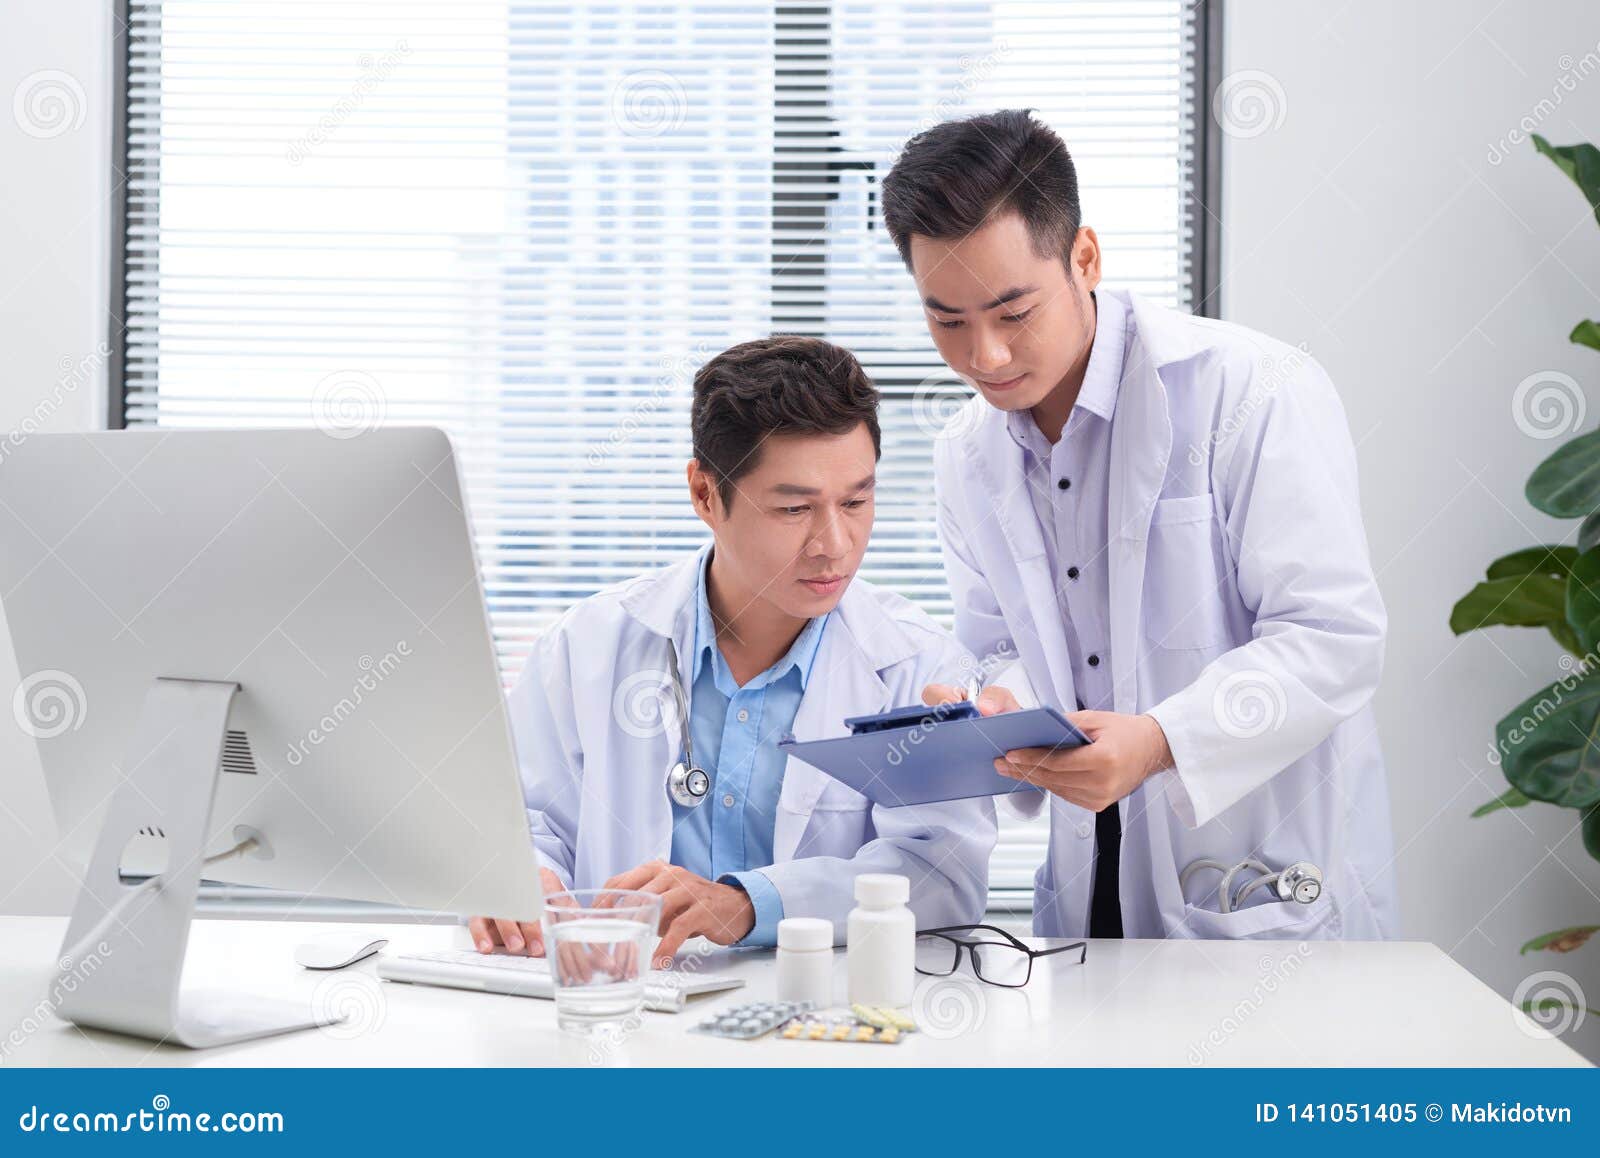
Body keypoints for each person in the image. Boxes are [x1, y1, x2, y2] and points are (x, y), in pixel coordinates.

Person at [881, 109, 1398, 940]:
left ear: (1083, 256)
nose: (986, 357)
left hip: (1256, 877)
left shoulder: (1253, 389)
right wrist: (996, 710)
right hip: (1090, 889)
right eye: (948, 321)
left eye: (1013, 312)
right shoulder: (966, 455)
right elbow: (997, 647)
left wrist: (1161, 742)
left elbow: (1334, 638)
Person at [471, 336, 996, 963]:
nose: (834, 543)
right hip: (626, 1011)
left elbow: (944, 876)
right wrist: (517, 878)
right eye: (794, 508)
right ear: (704, 495)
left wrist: (749, 903)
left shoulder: (920, 666)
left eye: (857, 501)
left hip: (818, 1024)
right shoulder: (585, 648)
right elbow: (518, 823)